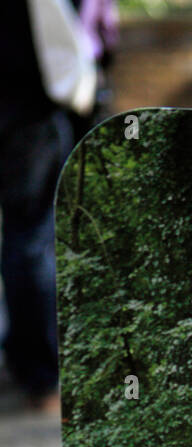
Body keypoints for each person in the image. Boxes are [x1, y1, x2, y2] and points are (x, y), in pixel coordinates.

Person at [0, 1, 116, 412]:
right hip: (34, 107)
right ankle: (43, 373)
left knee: (30, 236)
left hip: (33, 103)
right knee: (33, 239)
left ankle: (28, 358)